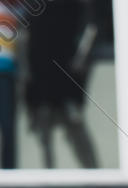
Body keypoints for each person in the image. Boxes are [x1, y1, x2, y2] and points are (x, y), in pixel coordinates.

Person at [25, 0, 98, 168]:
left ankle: (94, 174)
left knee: (74, 122)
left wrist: (81, 59)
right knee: (43, 126)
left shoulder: (74, 6)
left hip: (65, 69)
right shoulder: (36, 7)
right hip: (41, 70)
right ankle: (47, 176)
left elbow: (90, 28)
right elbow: (27, 35)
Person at [0, 0, 22, 169]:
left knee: (7, 125)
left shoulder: (15, 7)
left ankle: (9, 172)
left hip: (5, 73)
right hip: (5, 73)